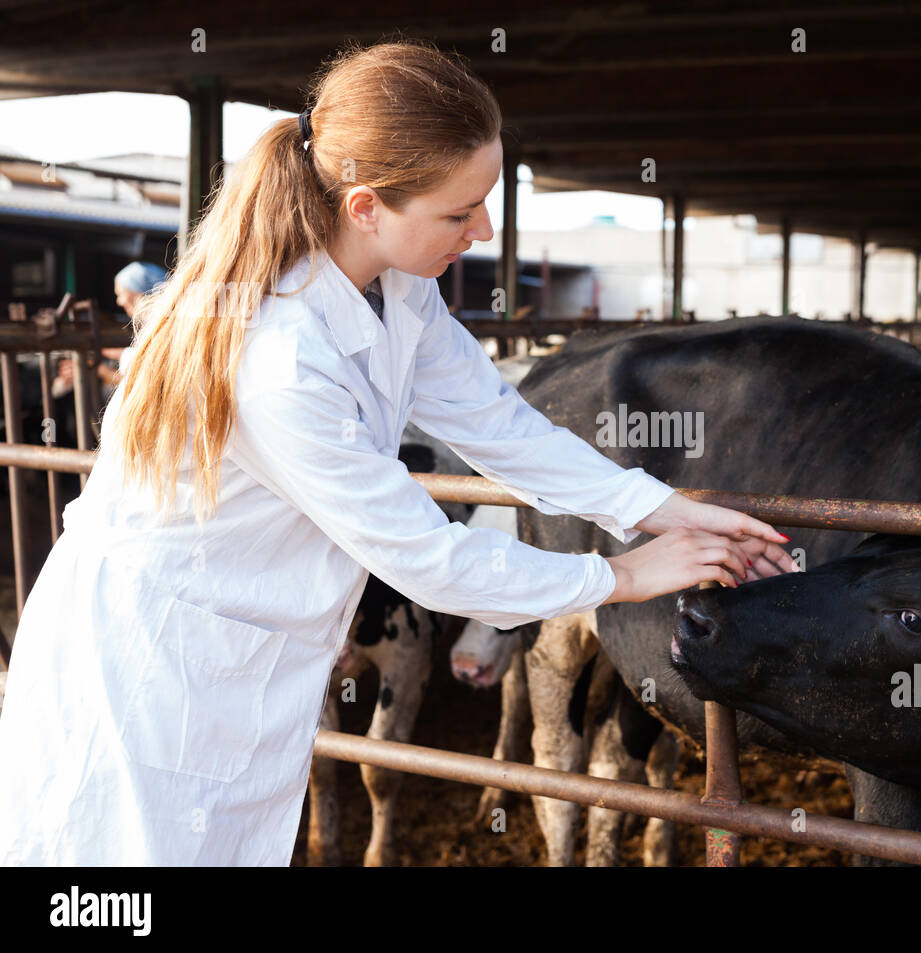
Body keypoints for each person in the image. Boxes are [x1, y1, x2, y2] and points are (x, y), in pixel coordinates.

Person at [0, 39, 796, 866]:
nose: (483, 230)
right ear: (368, 206)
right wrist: (623, 577)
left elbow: (496, 423)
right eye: (460, 213)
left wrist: (659, 507)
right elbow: (427, 558)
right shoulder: (276, 356)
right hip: (144, 672)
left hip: (236, 660)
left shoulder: (397, 287)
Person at [53, 261, 167, 396]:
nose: (119, 301)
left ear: (140, 293)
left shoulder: (160, 330)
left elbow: (147, 384)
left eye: (121, 294)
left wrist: (97, 368)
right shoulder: (143, 326)